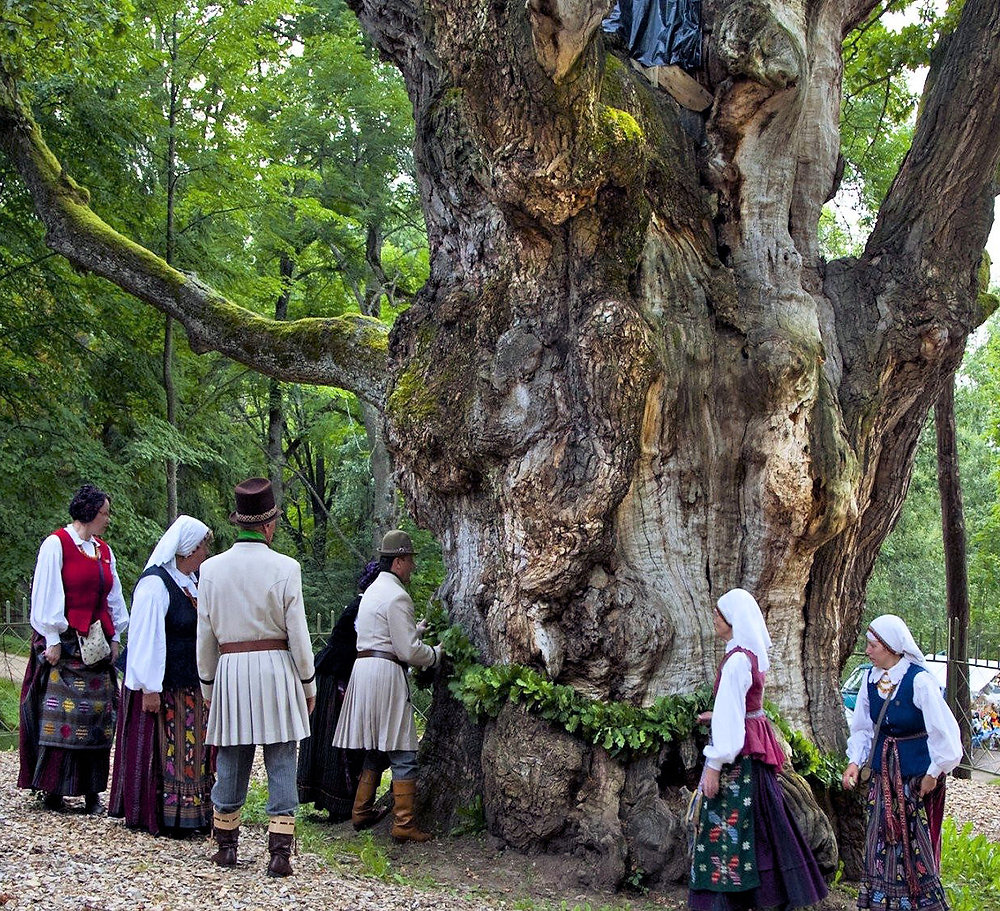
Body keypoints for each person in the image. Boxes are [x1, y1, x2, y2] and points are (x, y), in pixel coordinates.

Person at [196, 477, 316, 878]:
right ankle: (279, 854)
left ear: (239, 522)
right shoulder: (286, 567)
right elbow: (298, 634)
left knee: (231, 753)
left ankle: (226, 847)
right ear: (269, 525)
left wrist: (208, 686)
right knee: (282, 755)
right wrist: (307, 683)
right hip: (277, 669)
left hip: (231, 670)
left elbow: (206, 637)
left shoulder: (210, 570)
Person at [689, 588, 828, 911]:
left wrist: (713, 766)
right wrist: (718, 715)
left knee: (734, 831)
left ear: (732, 619)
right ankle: (764, 897)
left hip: (739, 760)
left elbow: (734, 727)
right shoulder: (747, 654)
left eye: (718, 614)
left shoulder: (737, 660)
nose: (714, 618)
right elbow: (743, 707)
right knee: (761, 829)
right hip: (754, 750)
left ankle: (728, 902)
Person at [18, 483, 128, 812]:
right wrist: (51, 638)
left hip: (96, 648)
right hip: (65, 646)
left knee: (98, 718)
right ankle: (54, 789)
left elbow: (114, 597)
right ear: (89, 513)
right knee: (61, 716)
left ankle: (92, 791)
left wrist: (116, 637)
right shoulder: (57, 544)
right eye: (104, 513)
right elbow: (46, 592)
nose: (108, 519)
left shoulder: (103, 551)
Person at [842, 615, 962, 911]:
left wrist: (934, 773)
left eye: (872, 646)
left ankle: (920, 903)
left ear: (891, 647)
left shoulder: (919, 681)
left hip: (916, 779)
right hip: (884, 778)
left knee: (914, 841)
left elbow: (944, 733)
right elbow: (863, 729)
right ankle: (884, 903)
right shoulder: (870, 681)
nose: (867, 651)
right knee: (883, 837)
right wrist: (855, 762)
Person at [333, 530, 442, 842]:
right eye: (409, 561)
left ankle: (361, 810)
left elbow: (386, 633)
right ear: (398, 561)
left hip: (364, 671)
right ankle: (404, 824)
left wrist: (415, 630)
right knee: (403, 749)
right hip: (385, 674)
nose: (413, 568)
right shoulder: (398, 596)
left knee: (377, 744)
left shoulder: (372, 592)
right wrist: (436, 654)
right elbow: (408, 652)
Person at [109, 515, 215, 835]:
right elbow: (146, 638)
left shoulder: (191, 583)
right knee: (167, 748)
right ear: (186, 551)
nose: (205, 555)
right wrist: (150, 688)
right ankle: (162, 813)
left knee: (190, 748)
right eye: (202, 548)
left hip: (189, 683)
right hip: (161, 686)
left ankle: (190, 813)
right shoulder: (155, 584)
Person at [297, 559, 380, 822]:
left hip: (331, 674)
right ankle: (340, 805)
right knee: (338, 739)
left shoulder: (362, 604)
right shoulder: (363, 606)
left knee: (333, 738)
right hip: (335, 677)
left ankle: (338, 803)